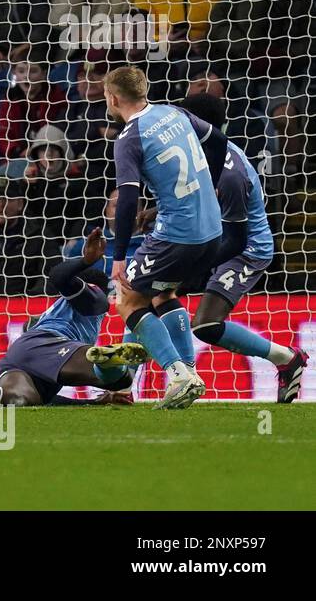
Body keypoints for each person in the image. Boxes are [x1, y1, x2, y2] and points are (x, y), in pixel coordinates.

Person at [105, 65, 227, 410]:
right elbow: (218, 140)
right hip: (211, 230)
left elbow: (127, 197)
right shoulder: (173, 112)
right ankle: (188, 374)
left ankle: (178, 375)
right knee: (163, 294)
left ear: (113, 98)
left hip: (179, 234)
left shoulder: (129, 137)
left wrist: (118, 256)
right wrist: (211, 184)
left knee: (127, 298)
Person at [175, 93, 308, 402]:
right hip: (215, 240)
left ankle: (286, 358)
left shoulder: (231, 172)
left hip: (247, 250)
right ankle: (175, 377)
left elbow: (237, 238)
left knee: (206, 324)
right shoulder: (197, 154)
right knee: (161, 295)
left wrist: (197, 268)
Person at [0, 228, 148, 405]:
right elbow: (58, 277)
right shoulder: (94, 298)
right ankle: (107, 364)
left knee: (20, 399)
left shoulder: (55, 311)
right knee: (122, 381)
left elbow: (51, 402)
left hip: (18, 359)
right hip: (49, 344)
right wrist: (85, 262)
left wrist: (91, 403)